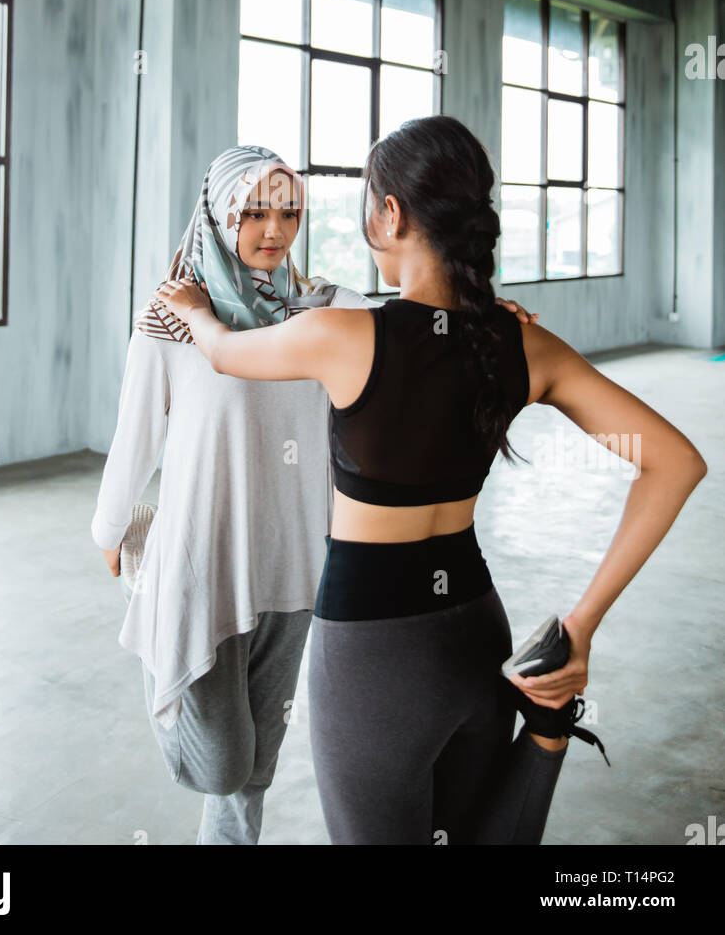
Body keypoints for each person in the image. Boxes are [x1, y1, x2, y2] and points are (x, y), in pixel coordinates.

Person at [157, 116, 708, 846]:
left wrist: (192, 309)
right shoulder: (520, 341)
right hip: (476, 633)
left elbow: (225, 351)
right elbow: (676, 461)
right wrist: (580, 628)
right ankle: (543, 735)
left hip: (371, 657)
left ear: (390, 214)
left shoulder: (343, 336)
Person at [91, 142, 534, 845]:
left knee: (256, 770)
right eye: (256, 212)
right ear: (217, 214)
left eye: (290, 211)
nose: (275, 230)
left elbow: (417, 323)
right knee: (222, 764)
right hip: (199, 564)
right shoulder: (175, 318)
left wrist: (483, 312)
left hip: (298, 569)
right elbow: (135, 437)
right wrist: (110, 531)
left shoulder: (329, 308)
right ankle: (152, 588)